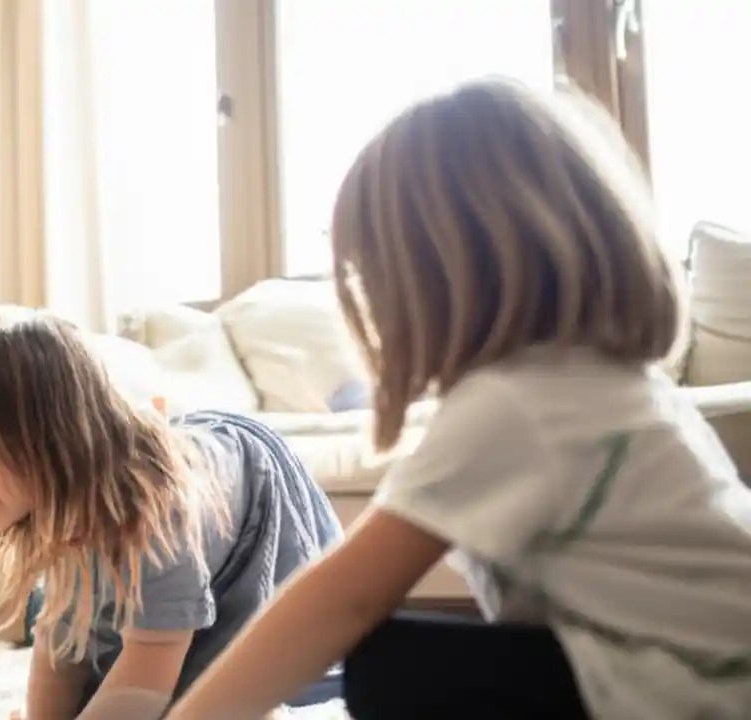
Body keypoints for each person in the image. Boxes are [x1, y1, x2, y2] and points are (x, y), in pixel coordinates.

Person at [166, 77, 751, 720]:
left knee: (396, 666)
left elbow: (341, 599)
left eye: (374, 275)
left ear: (437, 273)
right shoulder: (606, 388)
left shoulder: (519, 405)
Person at [0, 315, 344, 720]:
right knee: (95, 651)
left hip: (250, 515)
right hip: (139, 495)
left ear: (43, 435)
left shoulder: (163, 511)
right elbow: (61, 643)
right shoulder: (56, 498)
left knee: (214, 692)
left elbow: (147, 674)